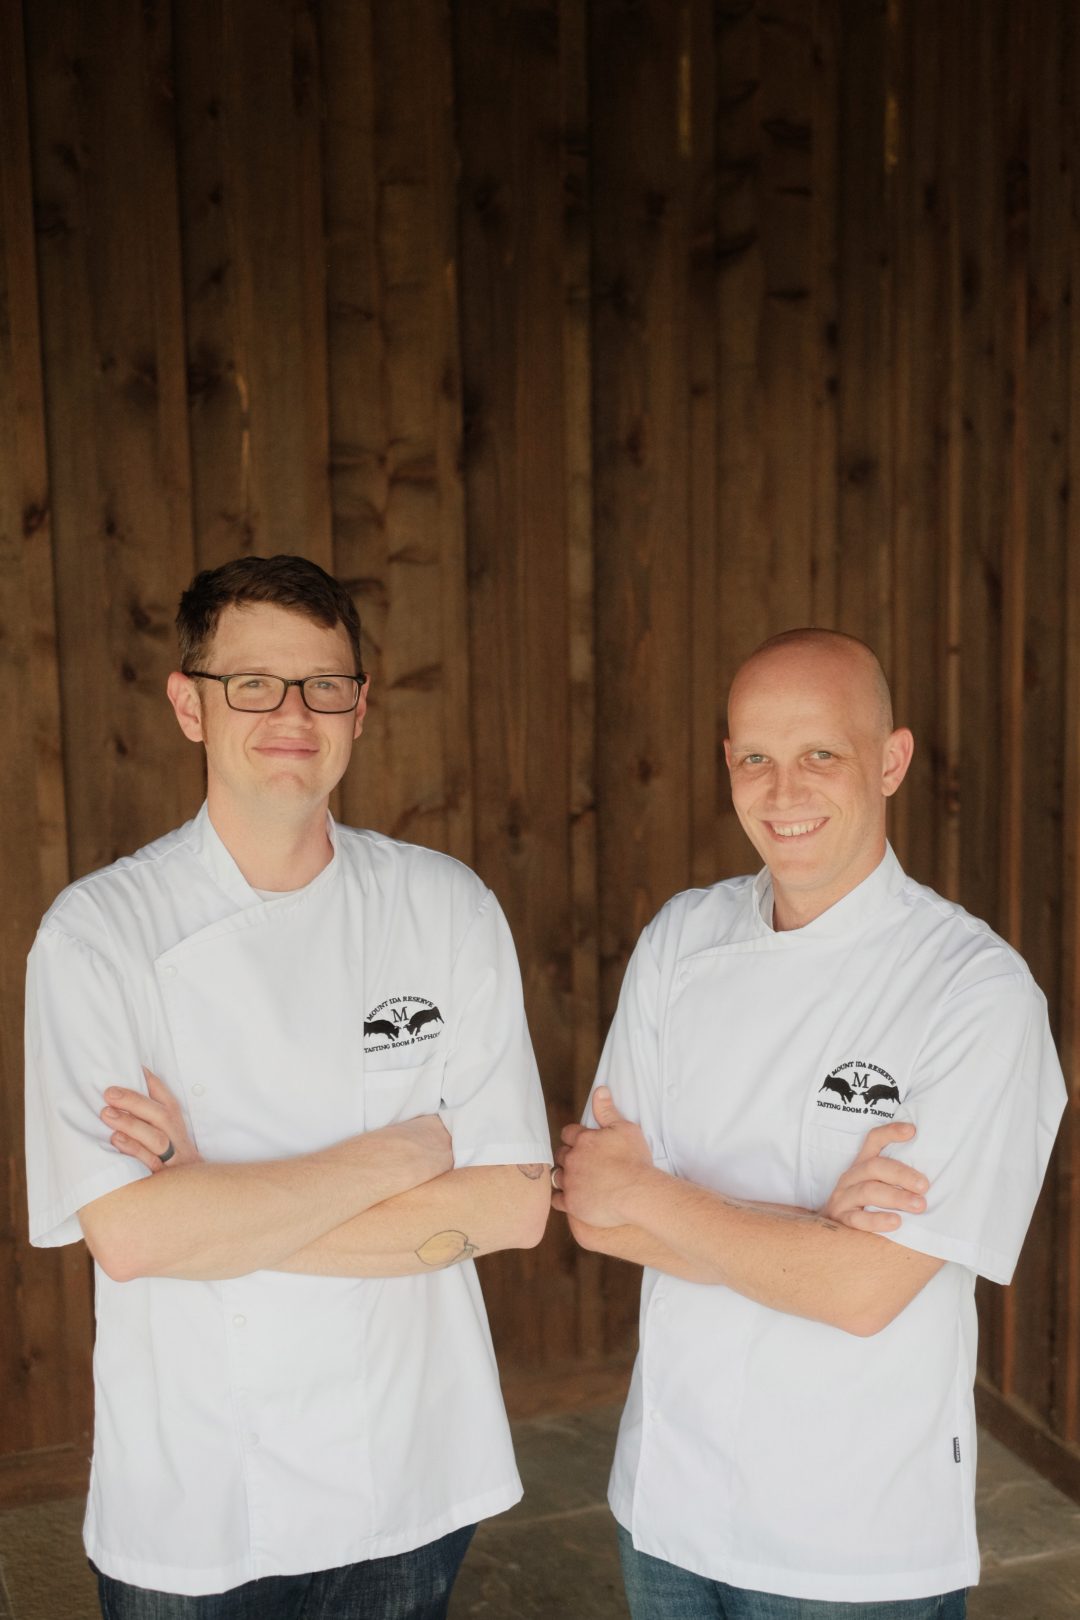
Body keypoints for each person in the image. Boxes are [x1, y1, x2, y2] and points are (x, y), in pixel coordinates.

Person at [25, 554, 552, 1618]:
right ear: (190, 704)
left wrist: (211, 1205)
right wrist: (409, 1150)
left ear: (359, 706)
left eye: (323, 684)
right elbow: (131, 1238)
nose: (292, 713)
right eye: (252, 684)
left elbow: (514, 1206)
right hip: (201, 1488)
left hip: (414, 1471)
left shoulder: (445, 907)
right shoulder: (99, 934)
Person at [553, 628, 1066, 1620]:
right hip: (665, 1506)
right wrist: (809, 1234)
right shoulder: (681, 941)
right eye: (755, 757)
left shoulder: (974, 990)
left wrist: (659, 1195)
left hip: (854, 1541)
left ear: (891, 759)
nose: (782, 790)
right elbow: (594, 1215)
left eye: (819, 754)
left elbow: (862, 1292)